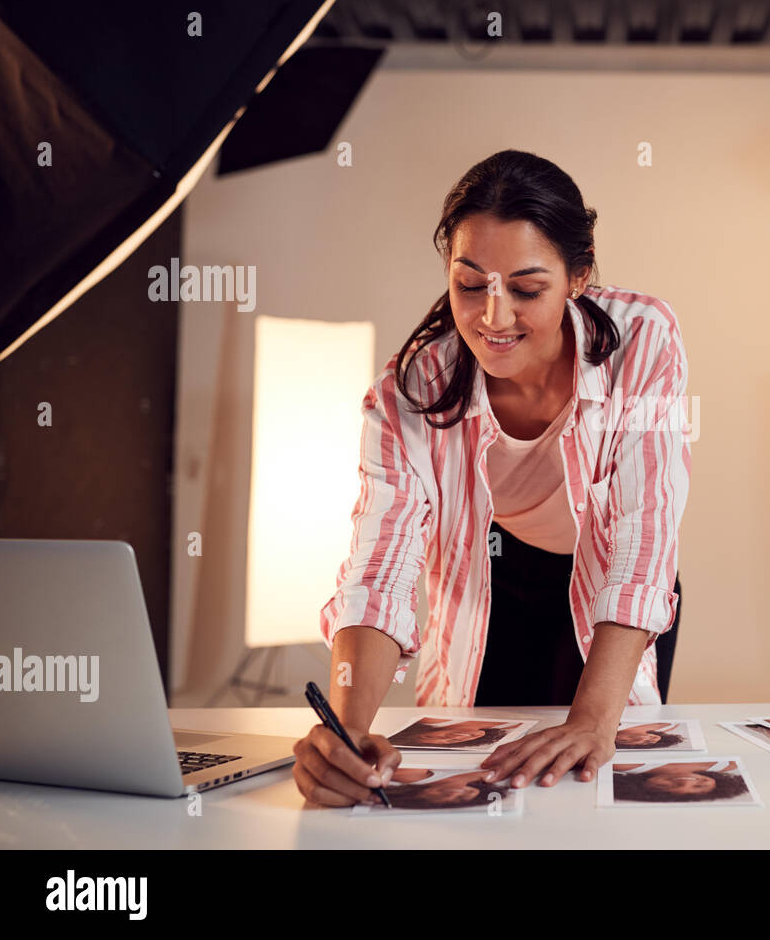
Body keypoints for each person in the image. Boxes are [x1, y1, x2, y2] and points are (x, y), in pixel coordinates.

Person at [292, 150, 691, 807]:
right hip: (495, 581)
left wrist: (593, 719)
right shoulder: (410, 389)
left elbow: (643, 533)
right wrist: (348, 731)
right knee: (494, 789)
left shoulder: (645, 339)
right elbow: (379, 565)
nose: (493, 317)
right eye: (470, 284)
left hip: (616, 590)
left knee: (590, 788)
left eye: (527, 289)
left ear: (579, 276)